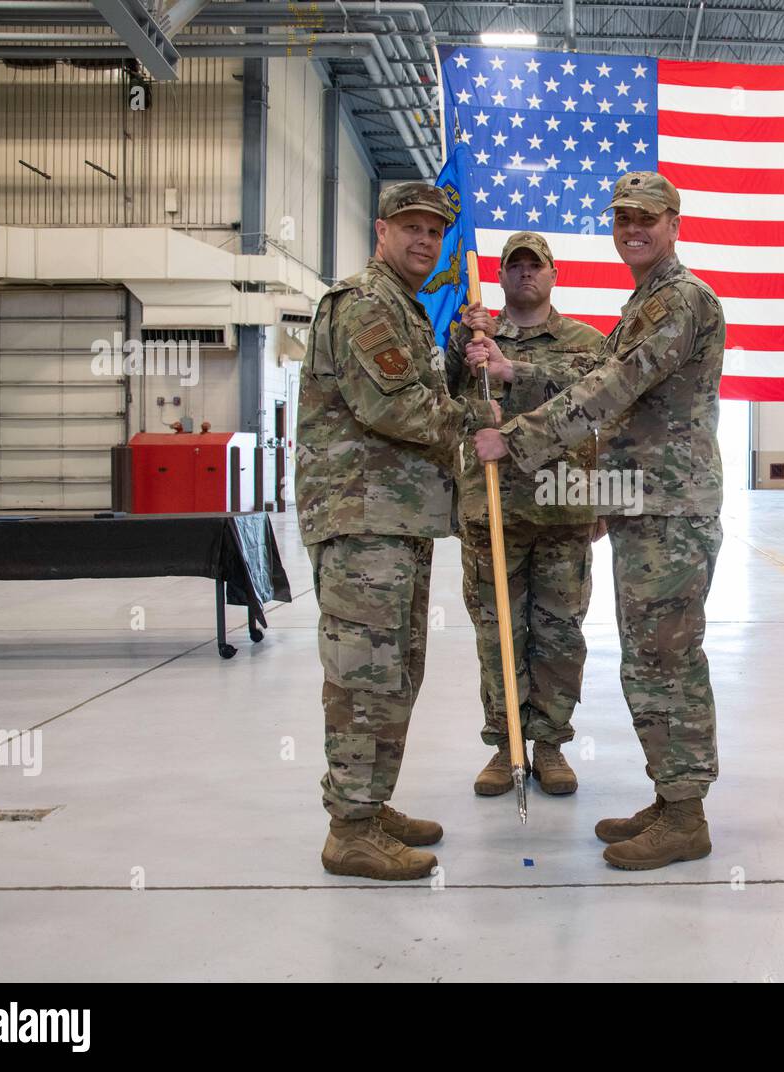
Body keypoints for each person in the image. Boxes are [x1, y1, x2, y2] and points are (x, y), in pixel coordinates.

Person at [473, 172, 725, 871]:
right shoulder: (645, 302)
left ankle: (686, 815)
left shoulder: (680, 299)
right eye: (621, 218)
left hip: (671, 509)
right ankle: (670, 801)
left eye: (646, 218)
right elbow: (598, 384)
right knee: (648, 659)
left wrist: (516, 438)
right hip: (646, 506)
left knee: (667, 660)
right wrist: (516, 376)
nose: (631, 229)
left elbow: (611, 386)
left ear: (674, 224)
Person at [295, 182, 500, 881]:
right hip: (362, 520)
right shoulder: (363, 303)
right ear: (381, 230)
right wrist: (479, 423)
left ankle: (370, 805)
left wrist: (459, 348)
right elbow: (394, 408)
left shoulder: (403, 308)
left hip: (396, 520)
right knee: (364, 676)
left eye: (434, 231)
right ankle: (349, 829)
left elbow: (422, 390)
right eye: (410, 227)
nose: (424, 240)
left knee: (394, 673)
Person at [446, 232, 604, 797]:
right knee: (498, 635)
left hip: (565, 509)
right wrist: (463, 351)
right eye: (514, 266)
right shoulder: (473, 341)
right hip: (493, 510)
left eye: (535, 265)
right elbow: (442, 403)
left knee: (560, 634)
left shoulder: (586, 342)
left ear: (554, 273)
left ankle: (551, 744)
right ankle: (505, 743)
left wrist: (514, 371)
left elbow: (595, 403)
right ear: (501, 276)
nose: (525, 273)